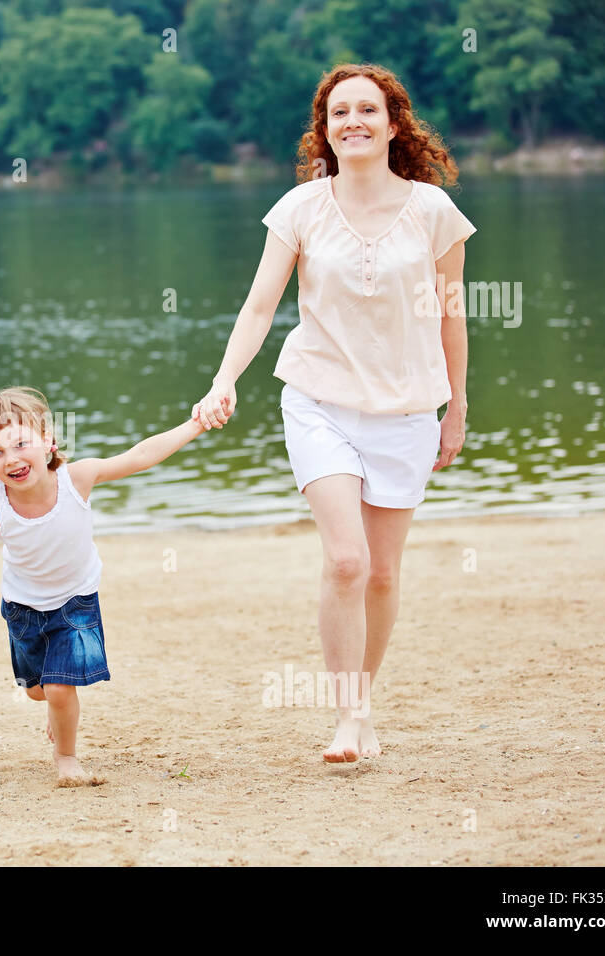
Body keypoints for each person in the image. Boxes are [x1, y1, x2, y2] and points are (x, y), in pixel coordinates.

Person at [193, 64, 475, 763]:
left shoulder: (434, 212)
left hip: (408, 409)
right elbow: (260, 304)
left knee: (382, 573)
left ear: (392, 123)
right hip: (318, 400)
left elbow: (452, 316)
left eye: (367, 110)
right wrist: (224, 378)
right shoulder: (301, 209)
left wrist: (456, 406)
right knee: (346, 562)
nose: (353, 121)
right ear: (324, 128)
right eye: (338, 111)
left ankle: (363, 702)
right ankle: (348, 717)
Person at [0, 386, 207, 786]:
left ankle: (66, 758)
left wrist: (195, 425)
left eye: (21, 444)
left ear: (48, 442)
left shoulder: (77, 479)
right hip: (22, 610)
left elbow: (140, 456)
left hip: (76, 603)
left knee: (59, 689)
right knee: (37, 690)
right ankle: (51, 706)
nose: (12, 459)